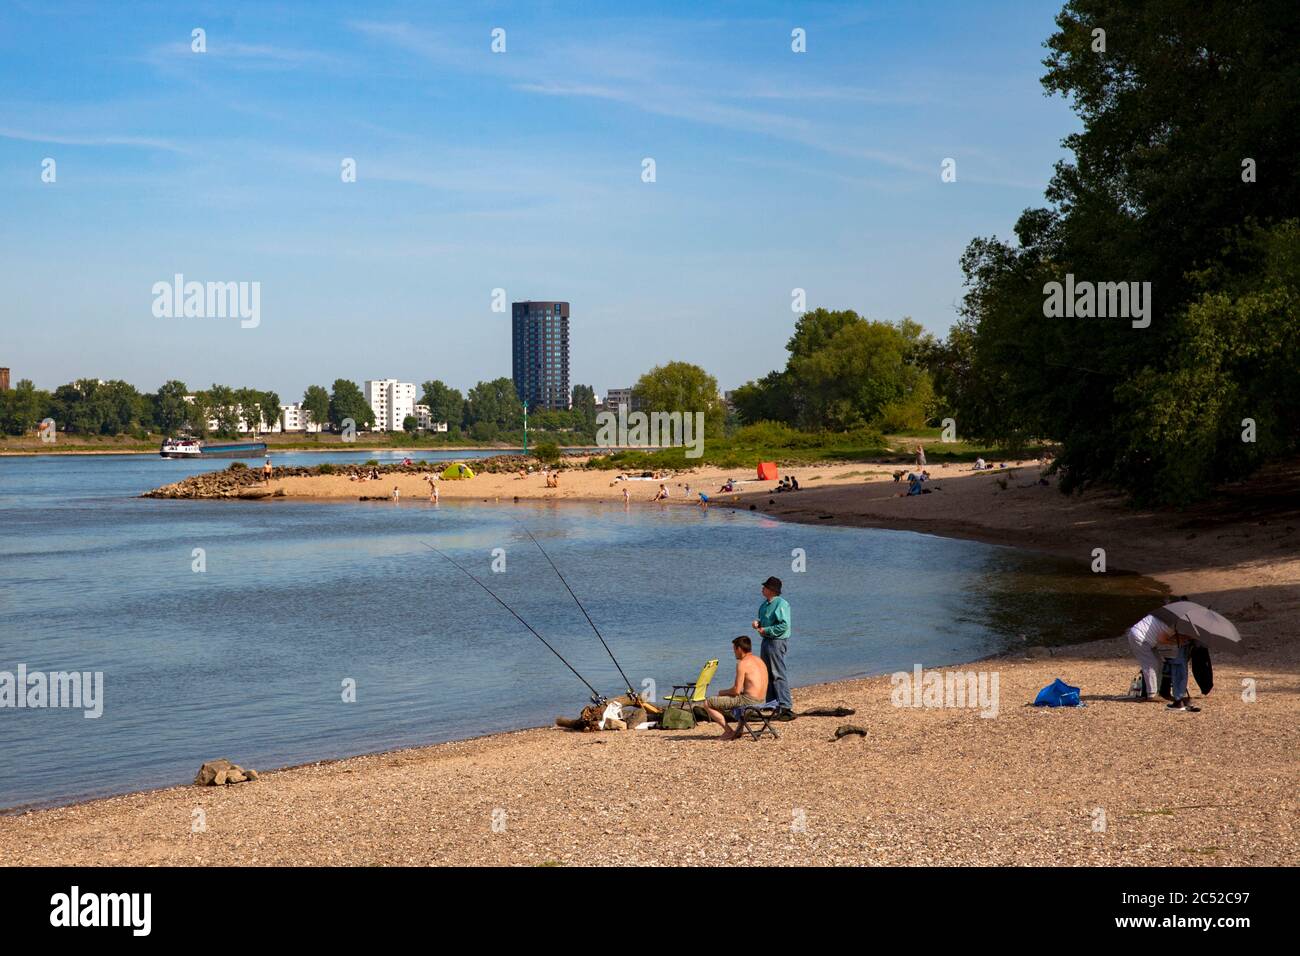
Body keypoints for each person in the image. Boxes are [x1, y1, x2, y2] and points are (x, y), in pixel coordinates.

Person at [701, 636, 770, 740]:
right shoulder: (759, 660)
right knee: (739, 697)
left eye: (734, 650)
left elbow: (736, 691)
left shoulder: (742, 664)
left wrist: (721, 692)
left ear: (739, 649)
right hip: (762, 700)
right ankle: (739, 729)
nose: (734, 653)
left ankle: (728, 731)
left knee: (707, 703)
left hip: (749, 702)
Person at [1126, 600, 1188, 703]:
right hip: (1139, 637)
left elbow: (1165, 636)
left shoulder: (1172, 617)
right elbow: (1162, 639)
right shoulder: (1172, 623)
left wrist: (1180, 639)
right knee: (1151, 664)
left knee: (1159, 663)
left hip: (1146, 638)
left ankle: (1156, 692)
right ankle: (1152, 695)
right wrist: (1176, 642)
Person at [752, 575, 793, 719]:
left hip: (777, 641)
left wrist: (767, 630)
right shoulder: (764, 605)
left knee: (778, 673)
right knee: (766, 673)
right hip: (766, 641)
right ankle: (772, 703)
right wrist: (758, 623)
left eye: (765, 587)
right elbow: (764, 621)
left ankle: (786, 706)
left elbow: (784, 625)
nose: (762, 589)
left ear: (772, 590)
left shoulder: (781, 604)